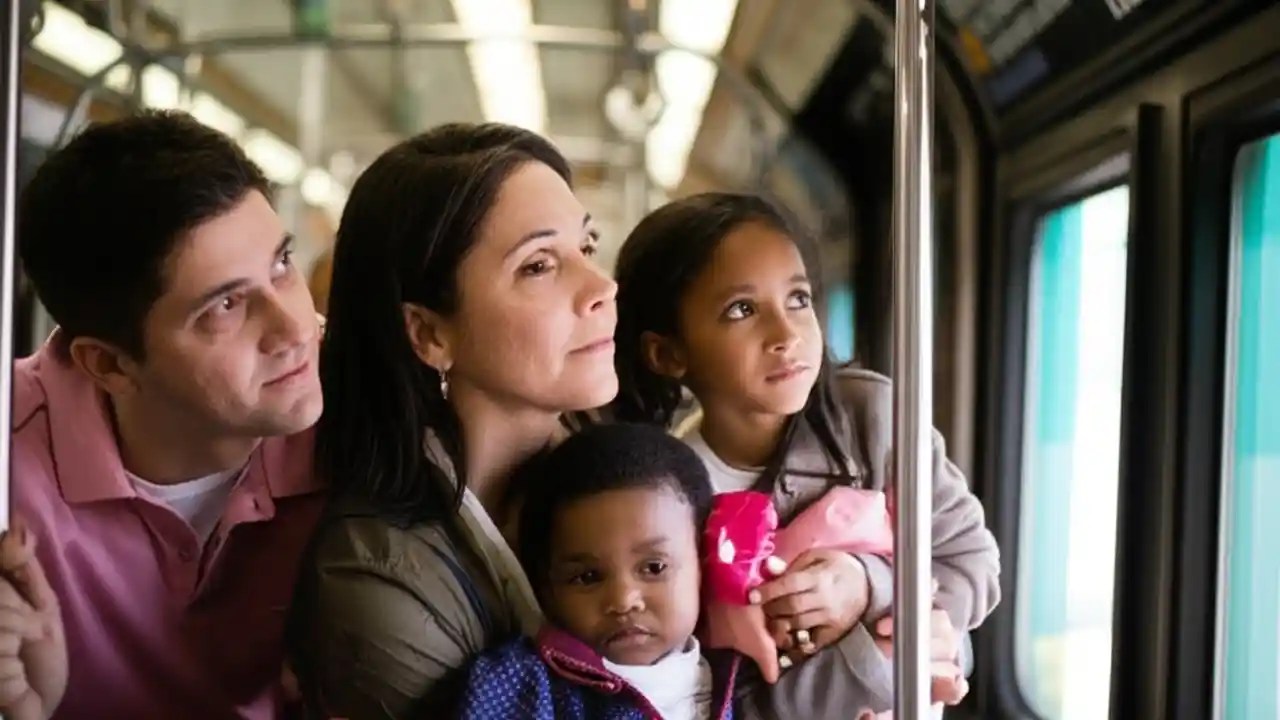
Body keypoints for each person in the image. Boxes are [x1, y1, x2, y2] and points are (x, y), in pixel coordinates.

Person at [611, 192, 1000, 716]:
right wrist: (870, 664)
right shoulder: (667, 498)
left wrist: (867, 585)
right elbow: (710, 696)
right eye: (742, 310)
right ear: (669, 353)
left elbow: (968, 560)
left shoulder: (871, 419)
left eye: (798, 299)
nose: (786, 333)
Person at [285, 122, 620, 719]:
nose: (602, 285)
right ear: (430, 333)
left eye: (587, 247)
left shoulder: (637, 460)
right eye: (540, 265)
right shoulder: (378, 584)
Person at [4, 110, 326, 719]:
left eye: (282, 265)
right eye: (226, 305)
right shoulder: (5, 464)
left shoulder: (368, 418)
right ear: (109, 365)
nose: (294, 329)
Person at [461, 423, 740, 719]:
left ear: (703, 562)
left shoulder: (744, 663)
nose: (623, 600)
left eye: (654, 567)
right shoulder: (523, 686)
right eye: (588, 577)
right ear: (546, 588)